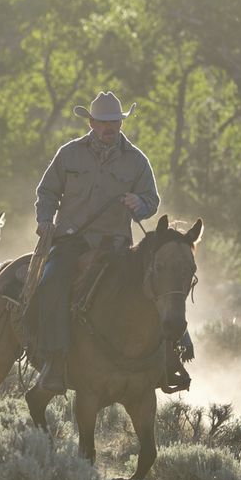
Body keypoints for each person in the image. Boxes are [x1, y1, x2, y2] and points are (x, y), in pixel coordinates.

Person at [33, 91, 192, 394]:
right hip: (71, 241)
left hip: (117, 246)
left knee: (162, 283)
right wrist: (45, 220)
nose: (110, 127)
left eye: (115, 122)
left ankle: (172, 356)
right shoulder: (69, 154)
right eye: (104, 122)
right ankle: (54, 361)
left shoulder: (137, 161)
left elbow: (152, 200)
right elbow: (47, 192)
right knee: (52, 283)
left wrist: (140, 203)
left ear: (121, 123)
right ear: (91, 122)